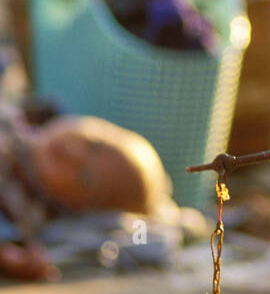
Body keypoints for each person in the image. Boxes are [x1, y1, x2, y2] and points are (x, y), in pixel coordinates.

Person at [0, 106, 172, 281]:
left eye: (84, 178)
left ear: (75, 207)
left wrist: (10, 252)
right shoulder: (20, 116)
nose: (75, 155)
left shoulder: (28, 208)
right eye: (94, 145)